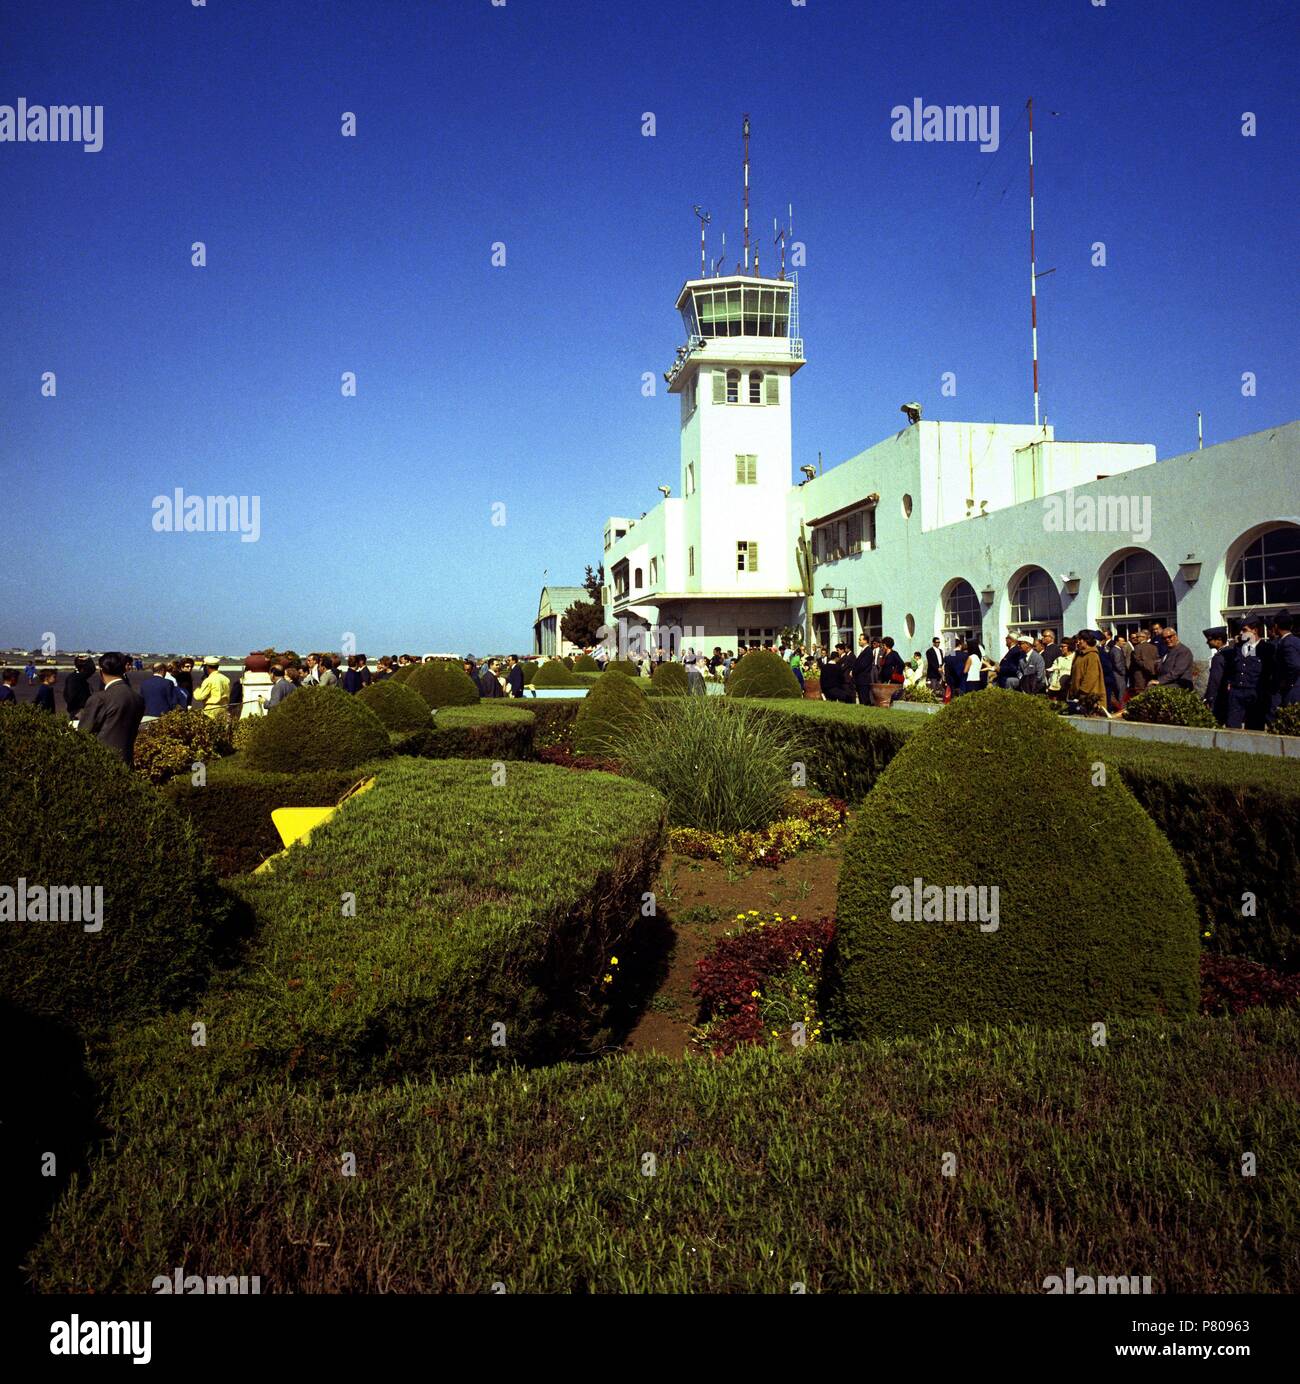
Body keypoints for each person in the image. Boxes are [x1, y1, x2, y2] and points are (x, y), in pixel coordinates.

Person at [75, 652, 146, 763]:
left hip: (103, 761)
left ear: (101, 672)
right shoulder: (137, 698)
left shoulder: (99, 698)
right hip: (127, 759)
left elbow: (83, 733)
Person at [1226, 615, 1271, 730]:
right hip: (1237, 693)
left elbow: (1270, 673)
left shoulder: (1267, 649)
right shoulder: (1238, 648)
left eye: (1244, 630)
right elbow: (1232, 668)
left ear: (1255, 630)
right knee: (1232, 726)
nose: (1241, 633)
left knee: (1254, 727)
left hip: (1254, 693)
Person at [1069, 632, 1108, 713]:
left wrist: (1082, 693)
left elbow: (1091, 677)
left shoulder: (1092, 655)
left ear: (1086, 641)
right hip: (1079, 697)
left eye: (1080, 639)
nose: (1078, 642)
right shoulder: (1079, 654)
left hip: (1089, 698)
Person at [1269, 612, 1300, 712]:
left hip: (1292, 689)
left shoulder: (1286, 643)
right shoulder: (1296, 640)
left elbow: (1294, 665)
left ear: (1276, 626)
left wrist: (1286, 682)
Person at [1202, 627, 1233, 722]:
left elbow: (1215, 680)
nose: (1207, 642)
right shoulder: (1231, 652)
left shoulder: (1219, 657)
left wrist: (1209, 697)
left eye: (1209, 639)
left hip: (1220, 697)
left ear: (1219, 640)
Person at [192, 656, 231, 720]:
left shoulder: (209, 680)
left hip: (211, 710)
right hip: (223, 708)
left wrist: (197, 689)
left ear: (207, 667)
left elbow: (199, 697)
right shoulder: (225, 679)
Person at [853, 633, 875, 704]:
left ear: (865, 641)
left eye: (860, 640)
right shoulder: (863, 650)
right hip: (860, 679)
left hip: (864, 679)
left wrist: (853, 671)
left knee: (864, 699)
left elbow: (862, 665)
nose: (858, 641)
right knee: (861, 699)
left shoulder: (868, 651)